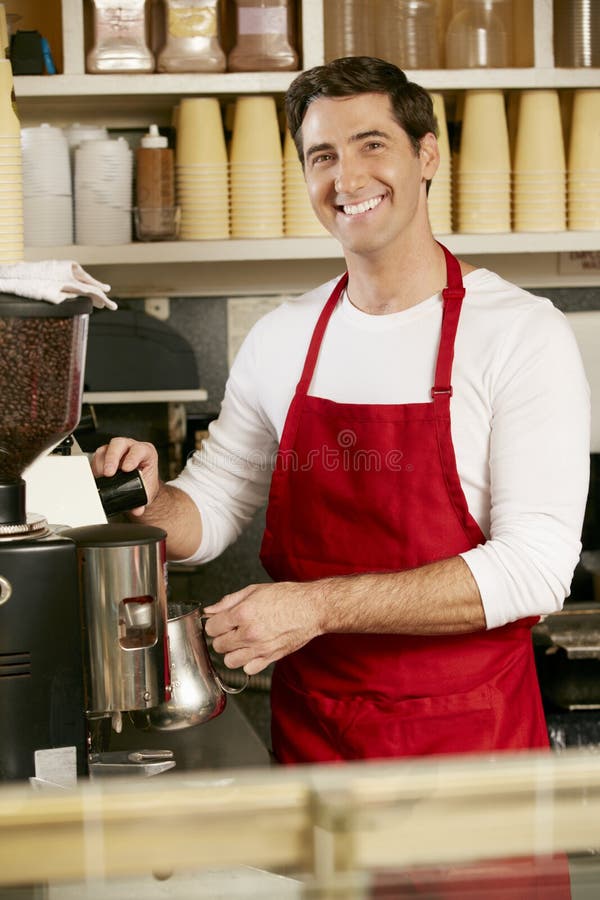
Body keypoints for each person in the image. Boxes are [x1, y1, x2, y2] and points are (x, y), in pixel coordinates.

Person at [93, 57, 590, 766]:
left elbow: (536, 568)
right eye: (322, 155)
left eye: (371, 144)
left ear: (426, 155)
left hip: (470, 744)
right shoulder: (284, 336)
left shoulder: (519, 332)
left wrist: (316, 607)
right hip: (317, 739)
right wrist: (148, 499)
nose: (347, 179)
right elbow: (210, 510)